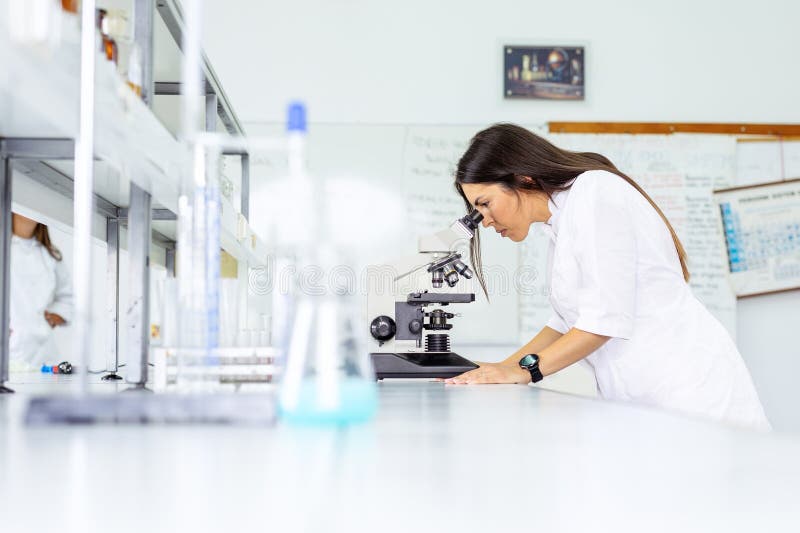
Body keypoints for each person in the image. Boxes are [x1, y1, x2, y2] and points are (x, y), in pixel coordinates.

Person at [448, 123, 770, 431]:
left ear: (523, 178)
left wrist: (524, 372)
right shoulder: (559, 225)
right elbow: (563, 324)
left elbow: (603, 321)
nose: (485, 222)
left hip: (691, 393)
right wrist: (497, 370)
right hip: (641, 399)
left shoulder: (595, 191)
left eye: (485, 204)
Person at [8, 213, 73, 370]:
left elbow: (67, 297)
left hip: (43, 352)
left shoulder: (50, 254)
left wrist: (52, 318)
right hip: (8, 349)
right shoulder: (5, 247)